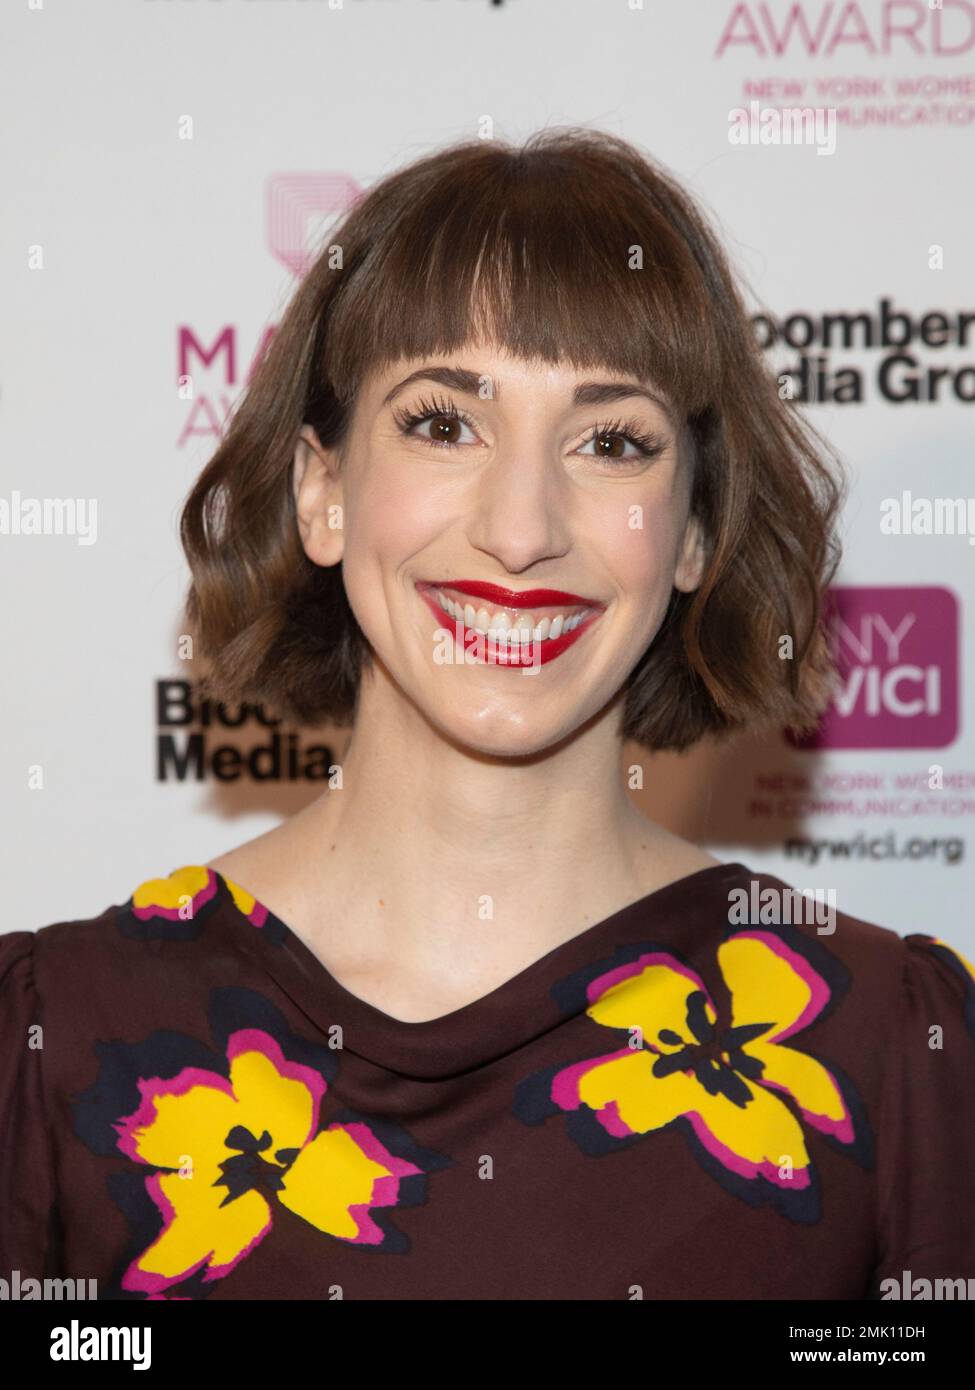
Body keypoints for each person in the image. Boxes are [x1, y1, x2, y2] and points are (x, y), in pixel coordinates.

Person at [2, 128, 974, 1302]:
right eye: (443, 423)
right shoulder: (53, 1048)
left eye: (612, 442)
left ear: (695, 535)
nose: (522, 530)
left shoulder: (891, 1056)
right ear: (322, 491)